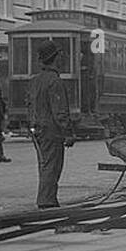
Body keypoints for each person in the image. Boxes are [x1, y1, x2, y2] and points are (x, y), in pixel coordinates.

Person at [29, 41, 75, 209]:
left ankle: (47, 199)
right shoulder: (55, 81)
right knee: (52, 166)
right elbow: (60, 111)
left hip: (38, 129)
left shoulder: (35, 80)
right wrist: (68, 132)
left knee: (44, 164)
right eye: (60, 56)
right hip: (51, 130)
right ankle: (46, 201)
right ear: (55, 58)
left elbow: (30, 105)